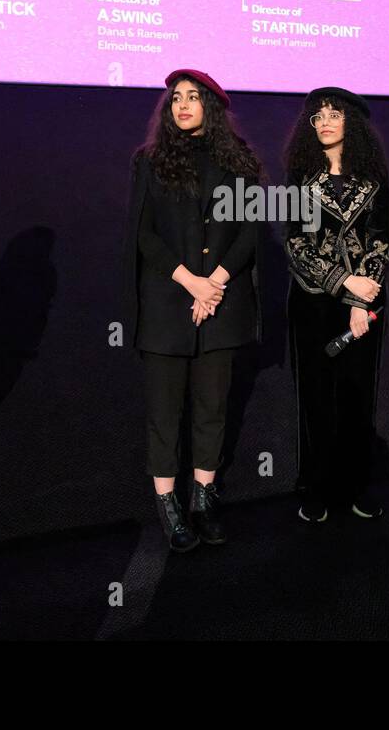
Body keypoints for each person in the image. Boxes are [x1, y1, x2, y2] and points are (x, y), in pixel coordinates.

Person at [123, 69, 263, 550]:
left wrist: (215, 284)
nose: (182, 105)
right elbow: (143, 234)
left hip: (221, 305)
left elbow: (249, 232)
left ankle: (203, 499)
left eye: (193, 97)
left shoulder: (240, 161)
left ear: (212, 106)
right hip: (167, 305)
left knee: (212, 409)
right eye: (175, 98)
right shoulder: (150, 161)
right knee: (164, 414)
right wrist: (191, 283)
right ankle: (169, 505)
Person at [284, 87, 389, 522]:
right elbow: (297, 245)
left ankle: (358, 484)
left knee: (358, 393)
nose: (325, 122)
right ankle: (317, 486)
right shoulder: (300, 177)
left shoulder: (375, 177)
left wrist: (360, 300)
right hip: (313, 304)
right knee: (315, 394)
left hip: (364, 306)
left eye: (334, 114)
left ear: (353, 122)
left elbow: (381, 241)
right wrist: (344, 282)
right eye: (318, 116)